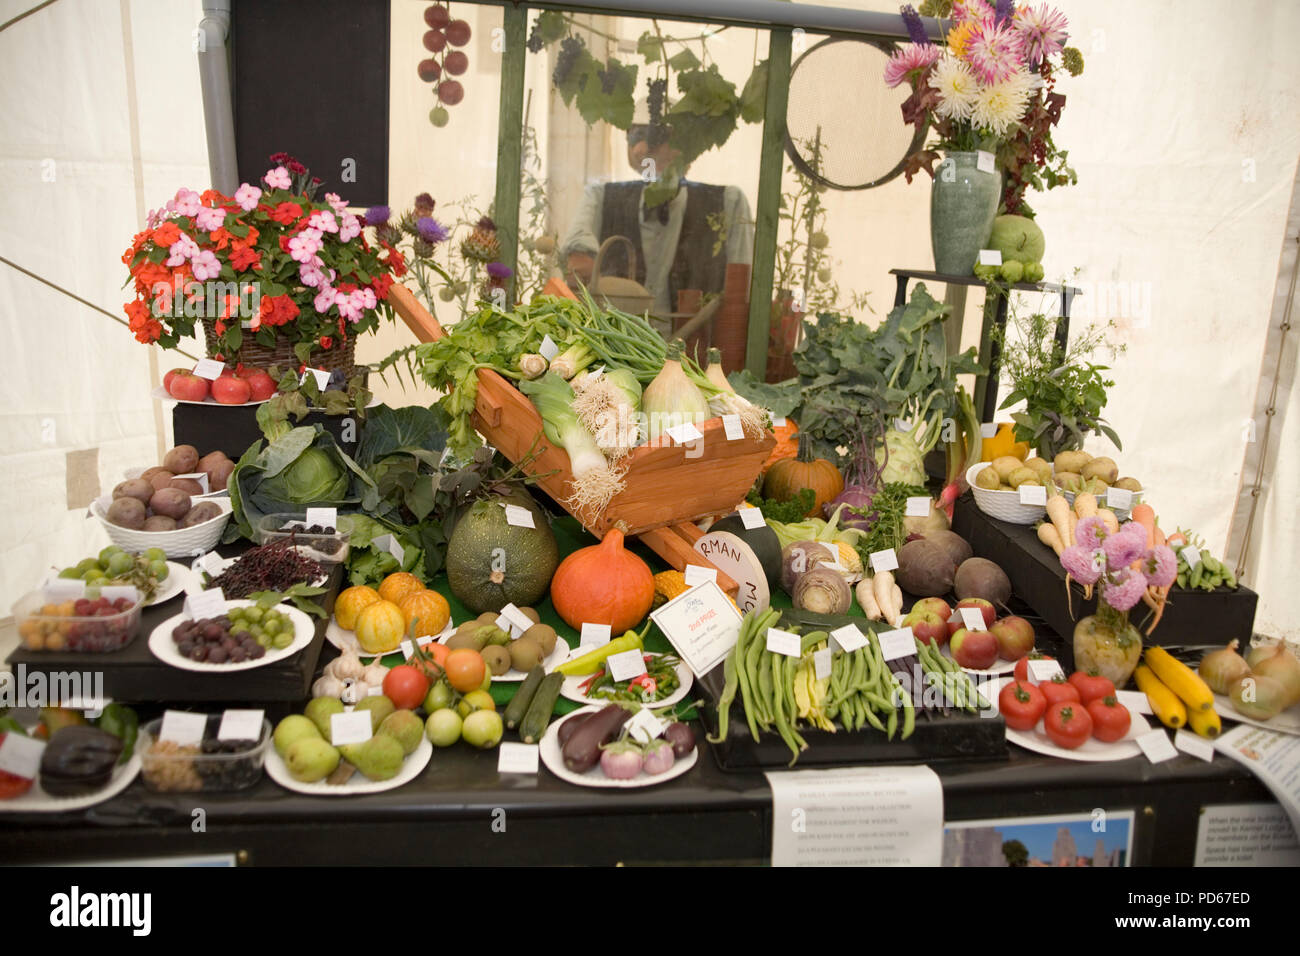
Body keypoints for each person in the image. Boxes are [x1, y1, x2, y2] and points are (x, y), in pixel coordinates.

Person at [560, 104, 753, 319]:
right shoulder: (600, 197)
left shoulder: (728, 202)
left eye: (654, 137)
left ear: (683, 146)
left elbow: (742, 294)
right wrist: (583, 259)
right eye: (633, 136)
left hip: (696, 347)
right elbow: (576, 265)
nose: (640, 149)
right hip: (618, 346)